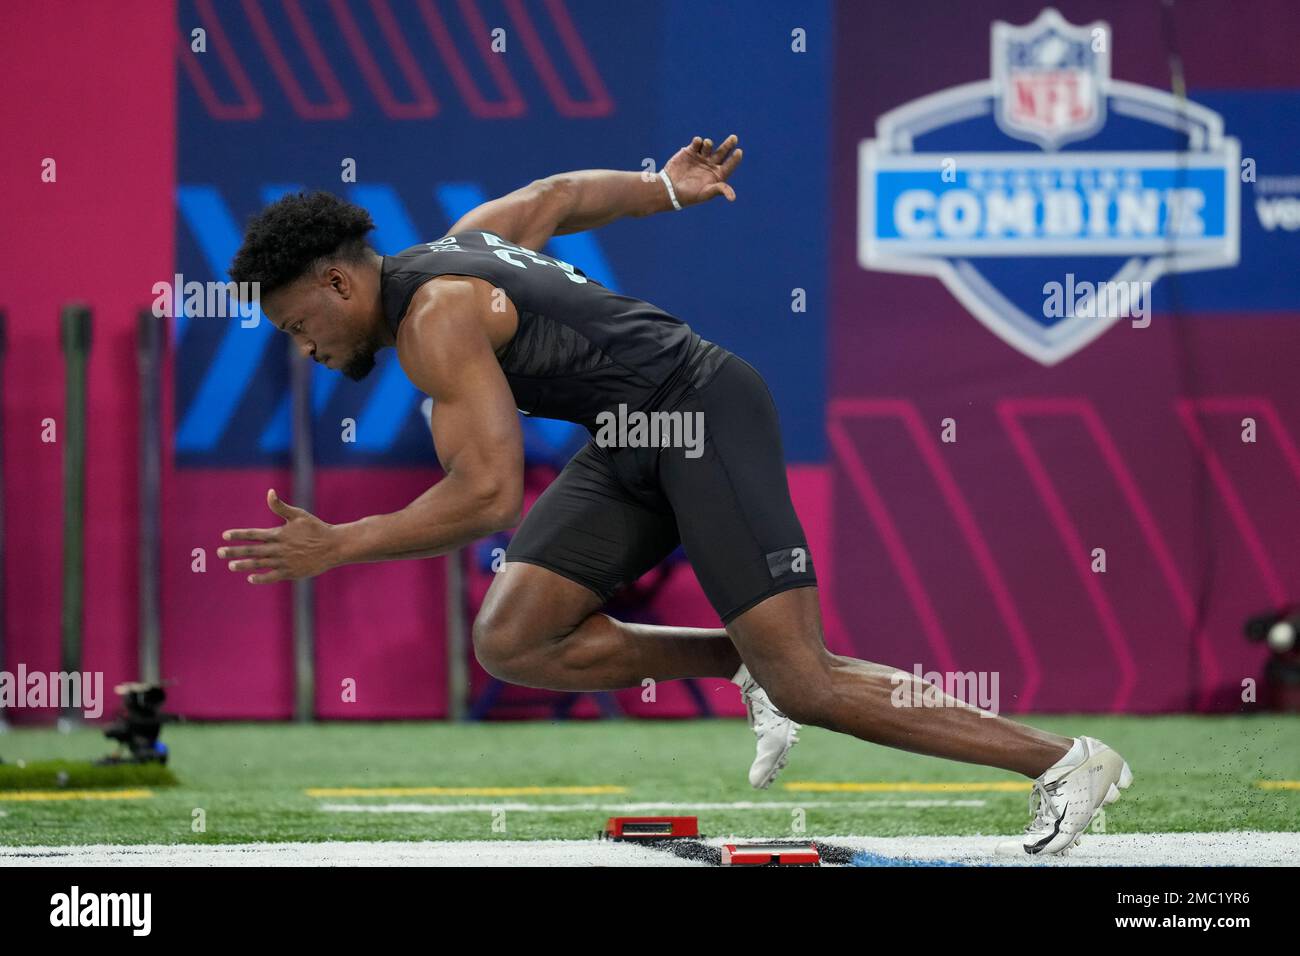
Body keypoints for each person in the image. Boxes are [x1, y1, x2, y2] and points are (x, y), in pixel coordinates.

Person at [220, 134, 1131, 855]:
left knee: (808, 680)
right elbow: (555, 199)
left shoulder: (433, 317)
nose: (307, 348)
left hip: (701, 411)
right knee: (514, 637)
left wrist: (341, 543)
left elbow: (490, 497)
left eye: (302, 325)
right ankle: (742, 668)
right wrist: (662, 188)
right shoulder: (459, 246)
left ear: (340, 282)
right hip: (630, 442)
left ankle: (1062, 761)